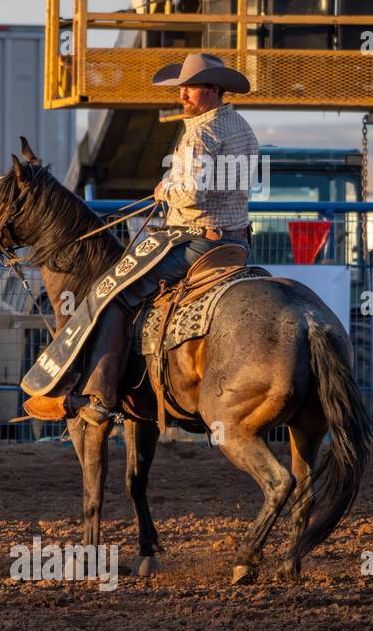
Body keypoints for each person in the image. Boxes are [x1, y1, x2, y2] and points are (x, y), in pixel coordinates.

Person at [68, 52, 259, 426]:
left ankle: (103, 397)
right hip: (235, 241)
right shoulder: (241, 125)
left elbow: (191, 194)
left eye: (189, 88)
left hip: (197, 243)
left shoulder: (201, 133)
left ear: (212, 90)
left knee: (115, 293)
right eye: (182, 88)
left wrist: (166, 188)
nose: (182, 95)